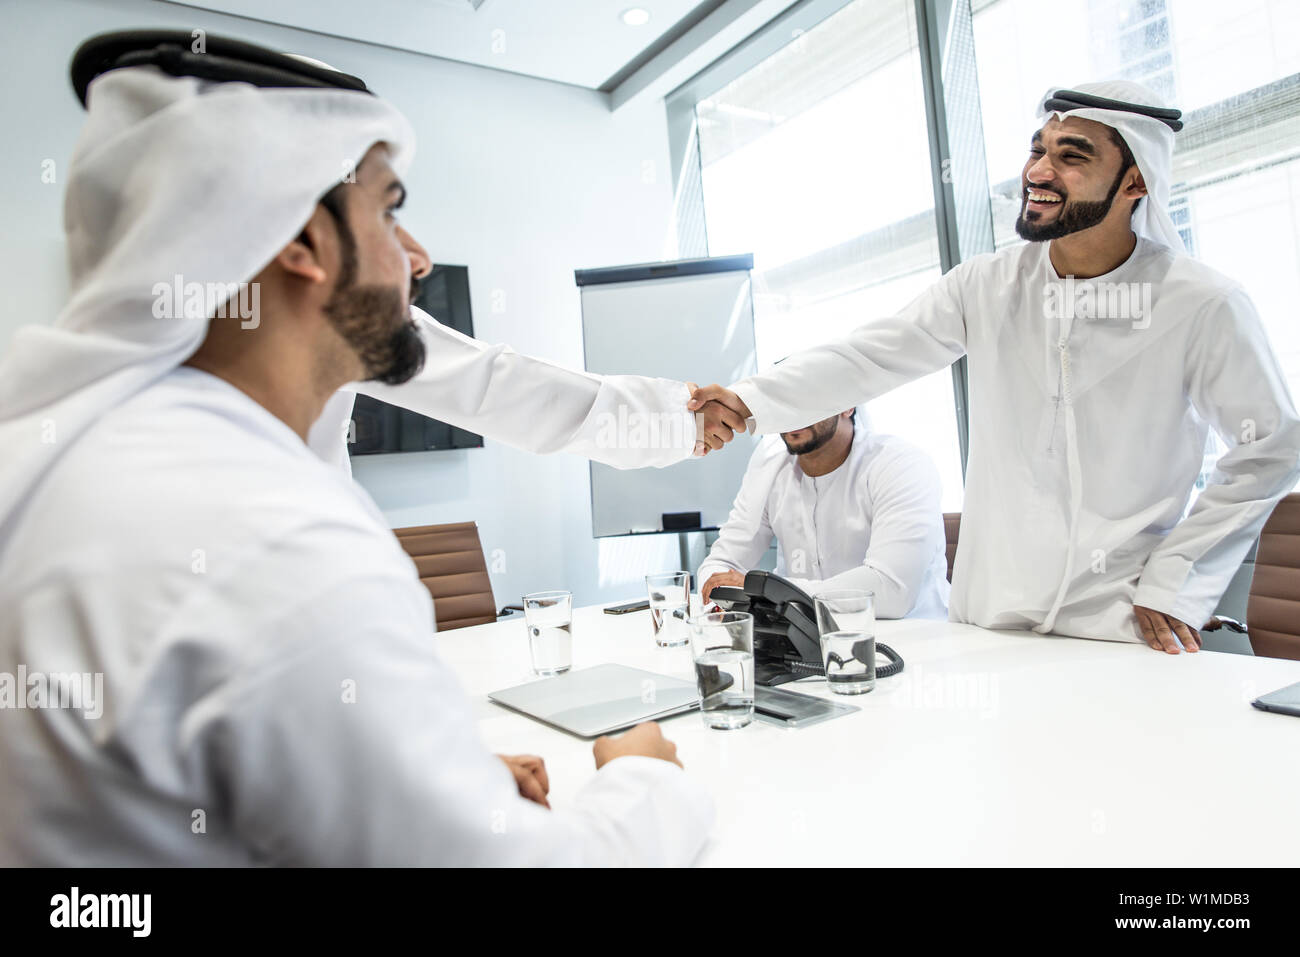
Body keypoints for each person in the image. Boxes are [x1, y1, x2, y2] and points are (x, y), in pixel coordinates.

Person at [0, 32, 712, 866]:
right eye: (389, 209)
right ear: (301, 239)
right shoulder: (268, 535)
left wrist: (427, 773)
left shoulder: (65, 460)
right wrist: (643, 778)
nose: (418, 258)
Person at [689, 81, 1300, 655]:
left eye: (1071, 156)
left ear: (1136, 180)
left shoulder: (1199, 303)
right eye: (1038, 150)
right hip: (990, 626)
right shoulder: (986, 285)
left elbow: (1270, 447)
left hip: (1115, 625)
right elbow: (867, 357)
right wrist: (750, 401)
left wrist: (1178, 579)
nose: (1038, 171)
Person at [697, 408, 949, 620]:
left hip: (913, 642)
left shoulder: (899, 464)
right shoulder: (769, 461)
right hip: (803, 645)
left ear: (847, 406)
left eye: (805, 399)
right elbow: (721, 564)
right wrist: (723, 592)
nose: (790, 414)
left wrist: (770, 591)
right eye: (780, 401)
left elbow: (892, 593)